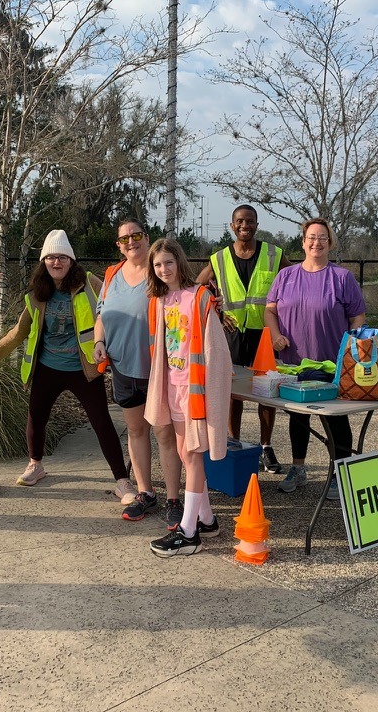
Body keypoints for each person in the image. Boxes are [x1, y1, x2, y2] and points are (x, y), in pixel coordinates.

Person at [0, 230, 133, 499]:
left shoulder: (88, 283)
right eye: (50, 258)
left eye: (62, 257)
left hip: (82, 369)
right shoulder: (38, 294)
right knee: (36, 417)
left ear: (71, 260)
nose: (56, 262)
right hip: (47, 368)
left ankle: (122, 480)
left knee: (102, 422)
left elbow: (114, 307)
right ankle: (35, 465)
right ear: (43, 262)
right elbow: (18, 332)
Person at [263, 218, 366, 499]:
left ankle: (339, 472)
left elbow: (357, 315)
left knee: (334, 419)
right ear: (303, 242)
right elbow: (270, 311)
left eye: (322, 237)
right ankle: (298, 468)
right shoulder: (286, 276)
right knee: (297, 418)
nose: (316, 242)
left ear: (330, 243)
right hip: (293, 363)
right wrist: (274, 335)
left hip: (331, 364)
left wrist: (353, 344)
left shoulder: (342, 277)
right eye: (311, 237)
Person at [144, 238, 232, 557]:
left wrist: (213, 392)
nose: (163, 269)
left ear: (178, 262)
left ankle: (189, 532)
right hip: (173, 388)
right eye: (157, 264)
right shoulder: (158, 300)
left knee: (193, 454)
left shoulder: (200, 297)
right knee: (184, 453)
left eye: (168, 262)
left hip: (196, 389)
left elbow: (216, 349)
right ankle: (207, 519)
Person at [93, 219, 182, 526]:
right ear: (118, 245)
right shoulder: (113, 274)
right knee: (136, 430)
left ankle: (173, 498)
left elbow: (186, 303)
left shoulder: (160, 270)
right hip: (122, 367)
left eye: (136, 235)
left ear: (146, 237)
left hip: (159, 370)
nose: (131, 242)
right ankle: (146, 492)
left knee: (165, 434)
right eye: (123, 239)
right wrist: (99, 341)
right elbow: (101, 315)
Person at [197, 204, 291, 473]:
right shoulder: (219, 258)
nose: (244, 225)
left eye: (250, 221)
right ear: (232, 225)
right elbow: (195, 289)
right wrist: (215, 310)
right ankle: (234, 442)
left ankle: (265, 447)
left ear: (257, 225)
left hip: (264, 337)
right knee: (232, 393)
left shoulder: (274, 254)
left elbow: (294, 281)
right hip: (232, 335)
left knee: (267, 393)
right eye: (239, 221)